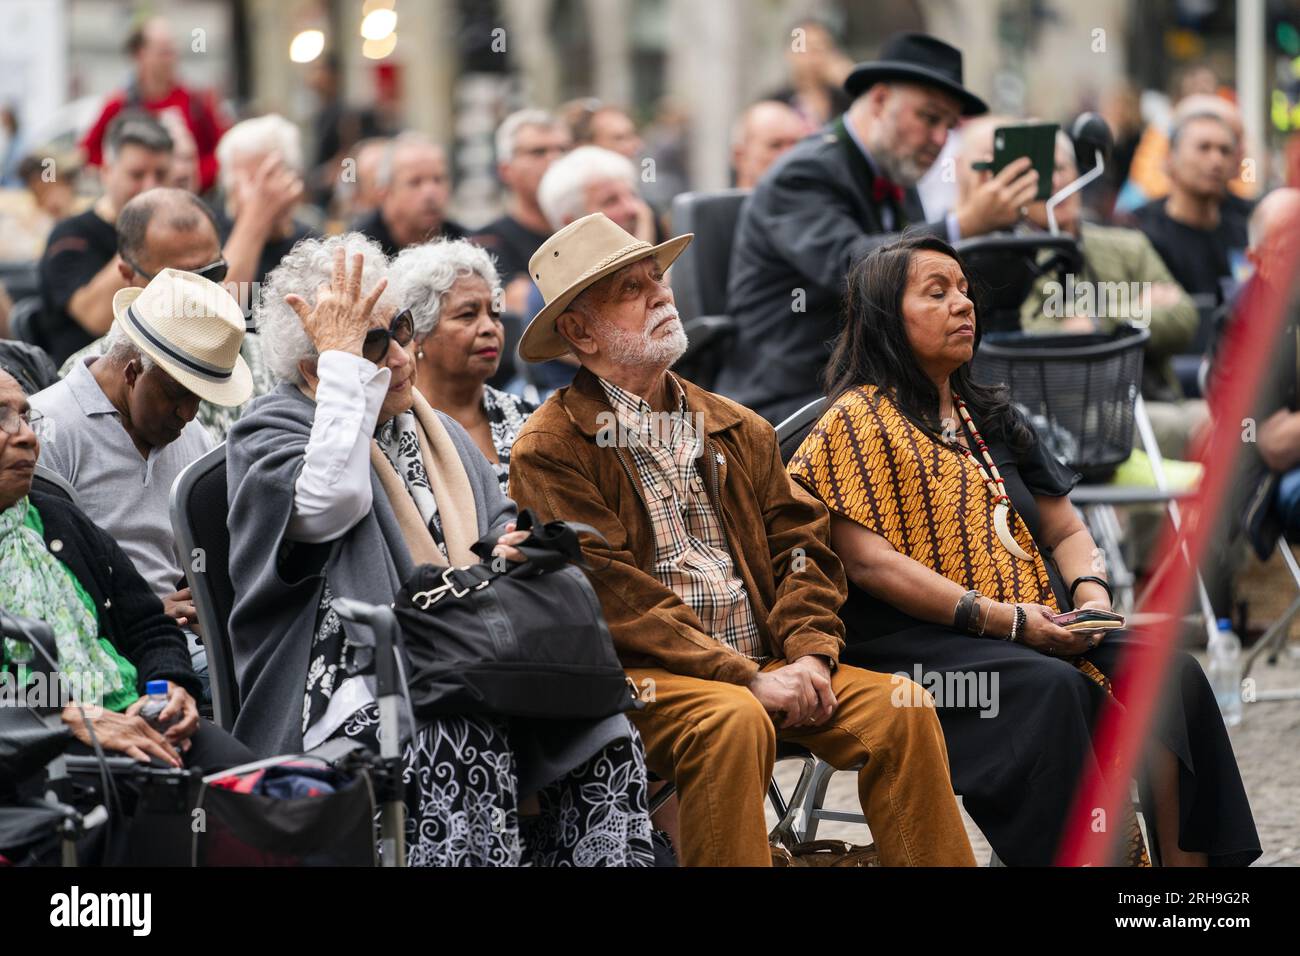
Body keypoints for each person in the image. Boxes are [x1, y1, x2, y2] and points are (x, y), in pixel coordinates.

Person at [508, 213, 976, 867]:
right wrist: (744, 678)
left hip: (767, 666)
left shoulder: (737, 425)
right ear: (580, 331)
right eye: (630, 289)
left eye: (657, 278)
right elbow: (611, 596)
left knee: (904, 708)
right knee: (731, 719)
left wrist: (811, 653)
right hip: (644, 679)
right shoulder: (550, 447)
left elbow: (805, 547)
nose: (660, 293)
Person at [787, 233, 1260, 866]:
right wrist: (1005, 620)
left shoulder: (991, 415)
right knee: (1049, 690)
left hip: (1036, 618)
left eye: (964, 290)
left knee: (1169, 672)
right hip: (917, 645)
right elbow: (870, 564)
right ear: (884, 319)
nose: (964, 305)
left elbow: (1066, 531)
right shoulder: (853, 422)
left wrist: (1089, 596)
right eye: (937, 292)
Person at [227, 235, 654, 866]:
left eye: (399, 330)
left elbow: (501, 521)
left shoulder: (433, 427)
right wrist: (346, 368)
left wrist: (515, 547)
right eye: (374, 345)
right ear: (318, 372)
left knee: (601, 730)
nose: (402, 357)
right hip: (349, 682)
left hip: (470, 661)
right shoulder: (270, 429)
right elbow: (329, 501)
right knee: (457, 733)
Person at [719, 31, 1039, 424]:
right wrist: (966, 222)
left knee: (1009, 428)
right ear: (881, 99)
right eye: (929, 117)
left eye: (950, 126)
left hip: (875, 393)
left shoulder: (895, 174)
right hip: (791, 401)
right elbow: (853, 265)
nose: (940, 139)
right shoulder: (802, 173)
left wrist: (1001, 233)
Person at [0, 369, 251, 771]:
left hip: (133, 714)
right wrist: (64, 715)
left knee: (259, 792)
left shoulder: (55, 518)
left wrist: (168, 687)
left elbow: (148, 626)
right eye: (1, 418)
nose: (27, 436)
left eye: (26, 418)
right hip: (37, 749)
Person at [31, 268, 252, 688]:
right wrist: (141, 616)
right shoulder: (48, 430)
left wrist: (208, 605)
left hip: (183, 640)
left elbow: (203, 557)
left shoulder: (195, 437)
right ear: (132, 373)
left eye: (199, 398)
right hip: (104, 647)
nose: (188, 414)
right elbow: (38, 579)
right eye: (176, 394)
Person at [957, 120, 1203, 457]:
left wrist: (1100, 322)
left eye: (1062, 169)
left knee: (1234, 420)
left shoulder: (1126, 244)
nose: (1057, 182)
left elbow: (1184, 318)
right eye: (1042, 174)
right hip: (1067, 418)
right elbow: (1033, 335)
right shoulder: (1005, 258)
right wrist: (1137, 306)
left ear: (1078, 173)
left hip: (1151, 398)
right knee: (1209, 427)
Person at [56, 187, 276, 441]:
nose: (203, 294)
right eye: (181, 283)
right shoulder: (85, 384)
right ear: (129, 276)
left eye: (214, 273)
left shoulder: (267, 359)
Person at [391, 239, 535, 495]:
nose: (490, 328)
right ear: (417, 333)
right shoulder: (394, 433)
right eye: (467, 315)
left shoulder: (530, 420)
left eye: (494, 314)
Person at [38, 113, 173, 366]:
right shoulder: (71, 235)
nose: (151, 186)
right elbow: (97, 318)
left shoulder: (174, 230)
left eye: (161, 174)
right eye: (137, 175)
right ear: (107, 172)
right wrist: (145, 226)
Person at [80, 18, 227, 194]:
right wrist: (127, 175)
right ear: (140, 54)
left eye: (173, 51)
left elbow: (223, 151)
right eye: (163, 52)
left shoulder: (196, 102)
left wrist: (188, 175)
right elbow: (89, 154)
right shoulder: (119, 105)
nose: (170, 59)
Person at [1133, 105, 1250, 314]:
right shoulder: (1140, 234)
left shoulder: (1245, 233)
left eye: (1225, 151)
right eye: (1203, 148)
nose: (1216, 161)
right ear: (1170, 158)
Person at [473, 109, 571, 313]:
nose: (555, 160)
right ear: (505, 170)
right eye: (538, 152)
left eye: (563, 150)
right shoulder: (485, 243)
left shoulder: (587, 229)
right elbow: (510, 305)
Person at [214, 113, 318, 293]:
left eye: (268, 178)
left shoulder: (311, 244)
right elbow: (217, 307)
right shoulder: (208, 233)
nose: (260, 193)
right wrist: (254, 219)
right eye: (251, 181)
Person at [352, 133, 468, 256]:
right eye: (415, 182)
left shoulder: (463, 245)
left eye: (438, 179)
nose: (430, 193)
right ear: (385, 192)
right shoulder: (359, 252)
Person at [765, 17, 855, 127]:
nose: (813, 56)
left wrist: (852, 81)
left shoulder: (845, 99)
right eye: (806, 46)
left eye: (821, 47)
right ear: (788, 52)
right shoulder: (775, 103)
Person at [731, 100, 813, 190]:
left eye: (796, 144)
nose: (789, 154)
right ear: (740, 157)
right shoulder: (718, 204)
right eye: (776, 145)